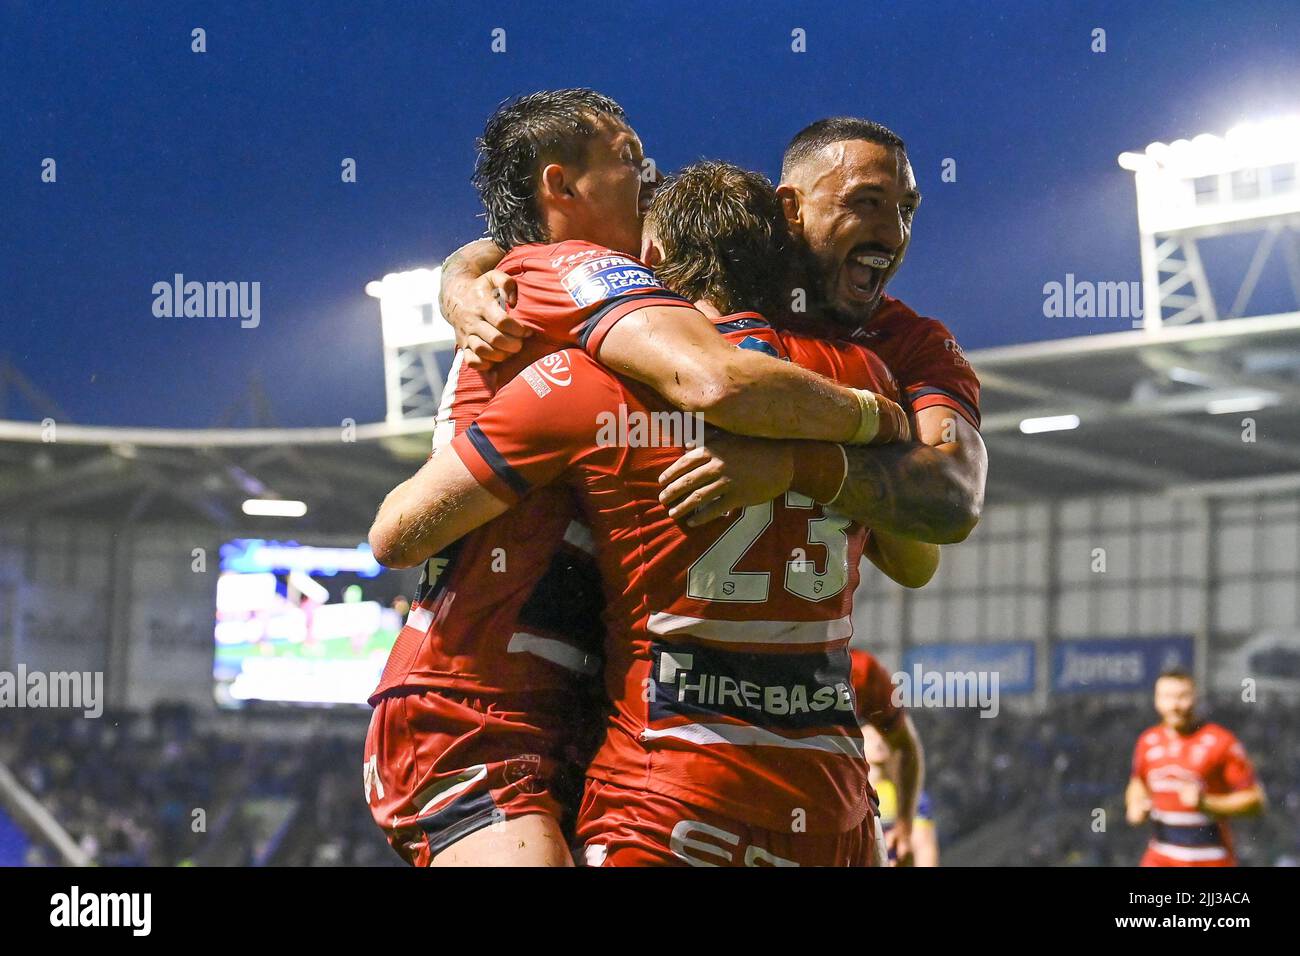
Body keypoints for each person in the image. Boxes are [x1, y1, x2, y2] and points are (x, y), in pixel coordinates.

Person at [371, 160, 939, 866]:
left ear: (656, 258)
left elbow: (395, 534)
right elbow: (917, 558)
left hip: (667, 792)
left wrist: (460, 289)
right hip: (830, 802)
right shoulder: (862, 377)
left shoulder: (589, 381)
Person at [442, 116, 986, 545]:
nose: (893, 232)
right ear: (789, 210)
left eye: (908, 209)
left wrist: (793, 466)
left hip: (771, 667)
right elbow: (554, 240)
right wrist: (461, 278)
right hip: (616, 656)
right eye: (865, 203)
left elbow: (955, 501)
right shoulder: (705, 269)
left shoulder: (914, 345)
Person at [1125, 669, 1265, 866]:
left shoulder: (1222, 742)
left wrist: (1206, 803)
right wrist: (1135, 807)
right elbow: (1138, 781)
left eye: (1182, 696)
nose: (1174, 705)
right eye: (1167, 697)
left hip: (1209, 859)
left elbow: (1256, 802)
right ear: (1156, 700)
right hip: (1160, 857)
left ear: (1195, 698)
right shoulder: (1147, 741)